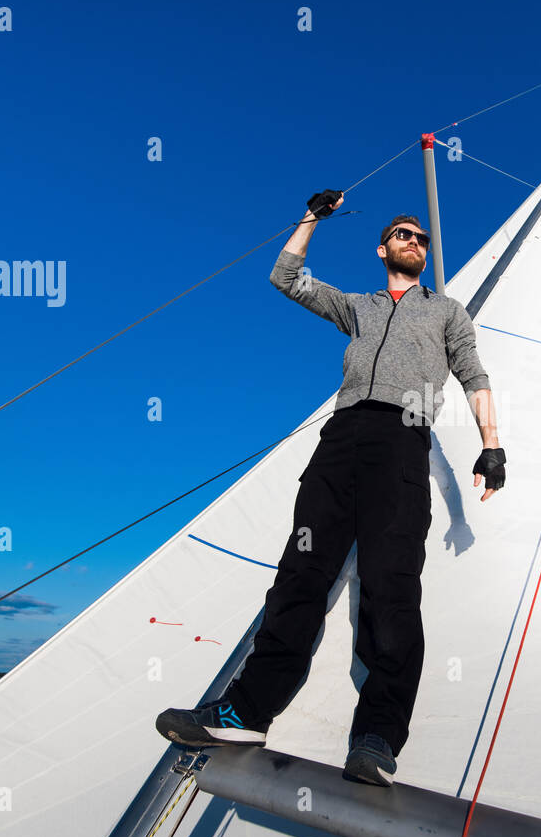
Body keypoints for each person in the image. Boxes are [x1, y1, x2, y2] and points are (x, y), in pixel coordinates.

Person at [156, 189, 507, 786]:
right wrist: (310, 219)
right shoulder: (357, 306)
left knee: (390, 585)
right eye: (403, 234)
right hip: (340, 441)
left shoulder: (447, 311)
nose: (414, 242)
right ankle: (246, 711)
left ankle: (376, 736)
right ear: (382, 248)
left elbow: (473, 374)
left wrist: (492, 445)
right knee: (301, 573)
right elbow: (286, 277)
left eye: (421, 238)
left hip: (403, 440)